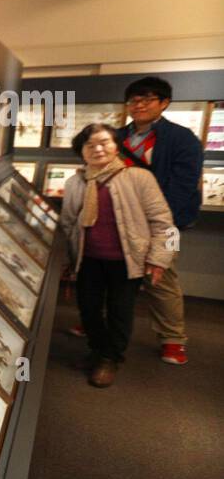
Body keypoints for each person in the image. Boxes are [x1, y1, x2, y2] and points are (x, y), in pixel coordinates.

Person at [60, 123, 175, 388]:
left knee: (119, 311)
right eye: (90, 145)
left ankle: (110, 358)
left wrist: (159, 259)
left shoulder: (139, 178)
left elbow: (163, 222)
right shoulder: (76, 181)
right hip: (88, 259)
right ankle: (98, 350)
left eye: (104, 142)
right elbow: (68, 223)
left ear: (116, 146)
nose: (98, 149)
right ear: (82, 152)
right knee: (88, 310)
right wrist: (69, 258)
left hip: (126, 260)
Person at [114, 77, 203, 364]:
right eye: (133, 101)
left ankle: (173, 338)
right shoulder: (115, 137)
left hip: (167, 223)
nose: (138, 105)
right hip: (120, 219)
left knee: (162, 278)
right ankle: (102, 322)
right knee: (111, 275)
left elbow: (184, 186)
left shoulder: (182, 138)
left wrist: (164, 225)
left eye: (147, 99)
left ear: (164, 103)